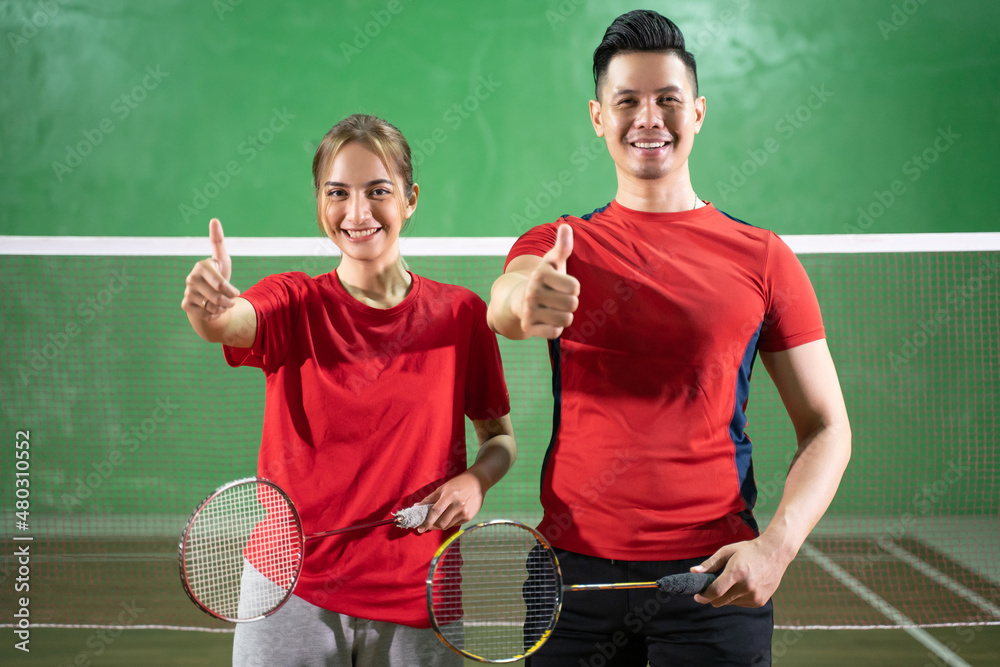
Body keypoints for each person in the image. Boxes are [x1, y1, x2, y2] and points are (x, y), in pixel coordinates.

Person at [488, 10, 851, 666]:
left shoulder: (764, 257)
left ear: (699, 112)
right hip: (573, 578)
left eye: (667, 100)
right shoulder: (557, 246)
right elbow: (508, 301)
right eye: (626, 101)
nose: (648, 118)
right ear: (598, 117)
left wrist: (778, 545)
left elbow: (828, 426)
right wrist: (523, 300)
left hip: (715, 579)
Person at [181, 113, 516, 666]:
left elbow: (499, 438)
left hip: (420, 592)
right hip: (290, 587)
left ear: (409, 199)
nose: (357, 213)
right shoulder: (292, 302)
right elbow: (231, 322)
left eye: (377, 191)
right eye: (338, 193)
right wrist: (210, 310)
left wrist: (477, 481)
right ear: (320, 204)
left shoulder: (461, 316)